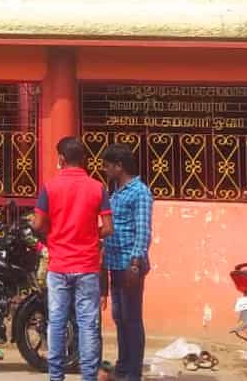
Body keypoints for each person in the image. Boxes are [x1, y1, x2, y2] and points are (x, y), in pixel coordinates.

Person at [32, 137, 113, 381]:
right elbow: (108, 228)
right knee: (88, 324)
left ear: (61, 159)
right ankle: (88, 376)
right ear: (84, 160)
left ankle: (56, 376)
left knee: (56, 321)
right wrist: (89, 236)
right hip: (87, 265)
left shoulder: (50, 187)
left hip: (59, 264)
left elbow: (37, 224)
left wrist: (52, 237)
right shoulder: (98, 188)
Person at [101, 144, 154, 381]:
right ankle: (123, 366)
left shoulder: (139, 192)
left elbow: (143, 230)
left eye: (107, 166)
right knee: (119, 317)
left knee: (132, 318)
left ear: (119, 166)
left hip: (129, 264)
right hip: (115, 261)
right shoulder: (117, 191)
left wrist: (135, 263)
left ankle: (133, 372)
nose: (105, 170)